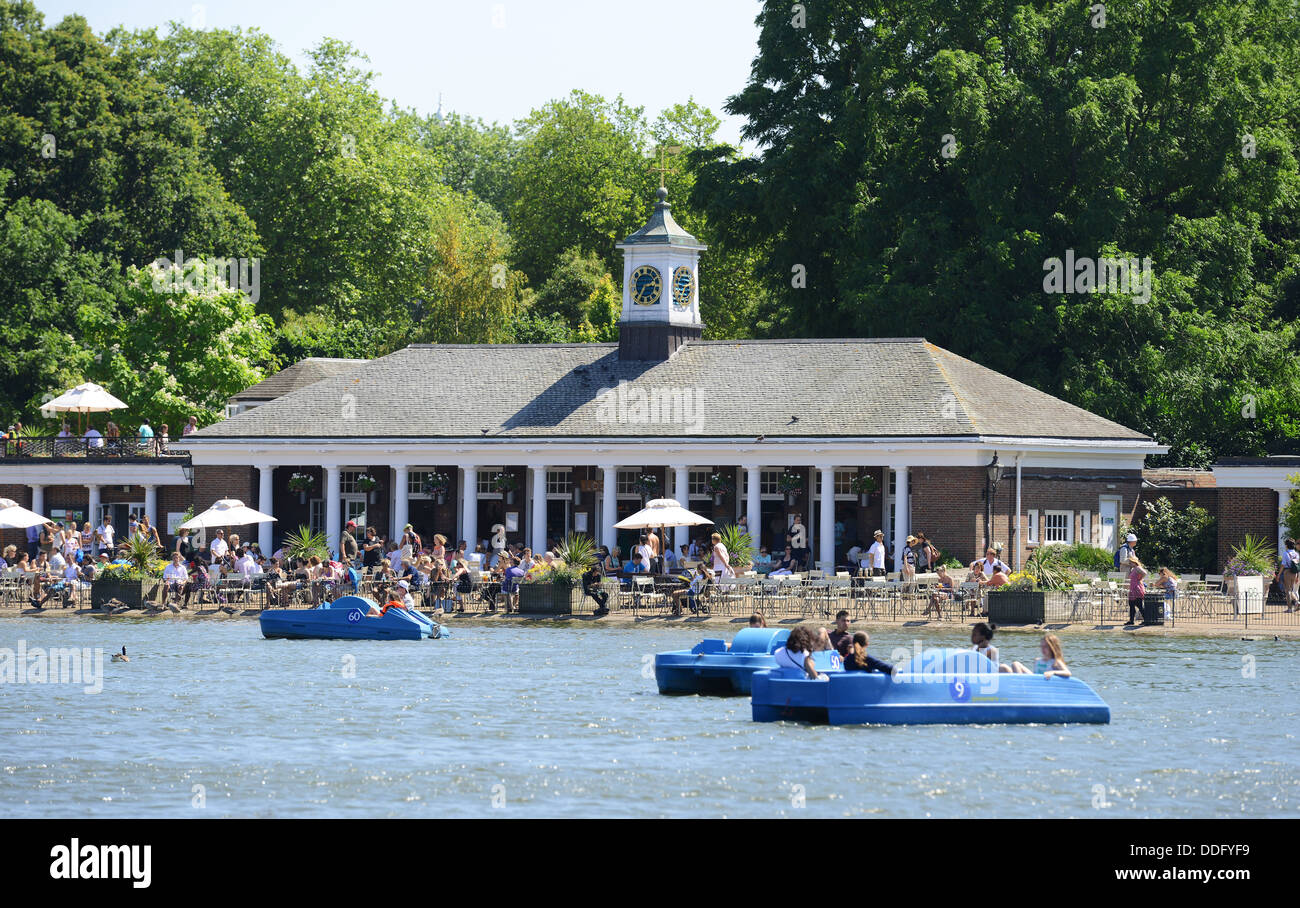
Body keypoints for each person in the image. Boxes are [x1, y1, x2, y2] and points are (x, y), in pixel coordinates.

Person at [1006, 634, 1071, 678]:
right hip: (1035, 680)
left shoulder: (1056, 662)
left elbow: (1068, 673)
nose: (1043, 649)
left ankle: (1020, 686)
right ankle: (1019, 684)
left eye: (1045, 647)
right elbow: (1035, 674)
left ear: (1052, 647)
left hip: (1044, 683)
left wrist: (1053, 672)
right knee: (1015, 664)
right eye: (1041, 646)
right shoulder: (1037, 660)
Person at [1126, 555, 1148, 626]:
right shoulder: (1134, 569)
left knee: (1139, 604)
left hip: (1137, 588)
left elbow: (1145, 573)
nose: (1130, 564)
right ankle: (1131, 620)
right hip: (1133, 588)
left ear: (1134, 562)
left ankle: (1146, 619)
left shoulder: (1138, 568)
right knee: (1131, 604)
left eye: (1131, 562)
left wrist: (1140, 578)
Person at [1282, 538, 1300, 613]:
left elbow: (1283, 564)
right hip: (1295, 573)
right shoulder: (1296, 554)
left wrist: (1279, 574)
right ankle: (1297, 602)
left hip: (1287, 571)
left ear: (1287, 545)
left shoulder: (1285, 553)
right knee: (1291, 589)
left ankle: (1290, 608)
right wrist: (1298, 576)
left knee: (1288, 590)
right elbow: (1298, 565)